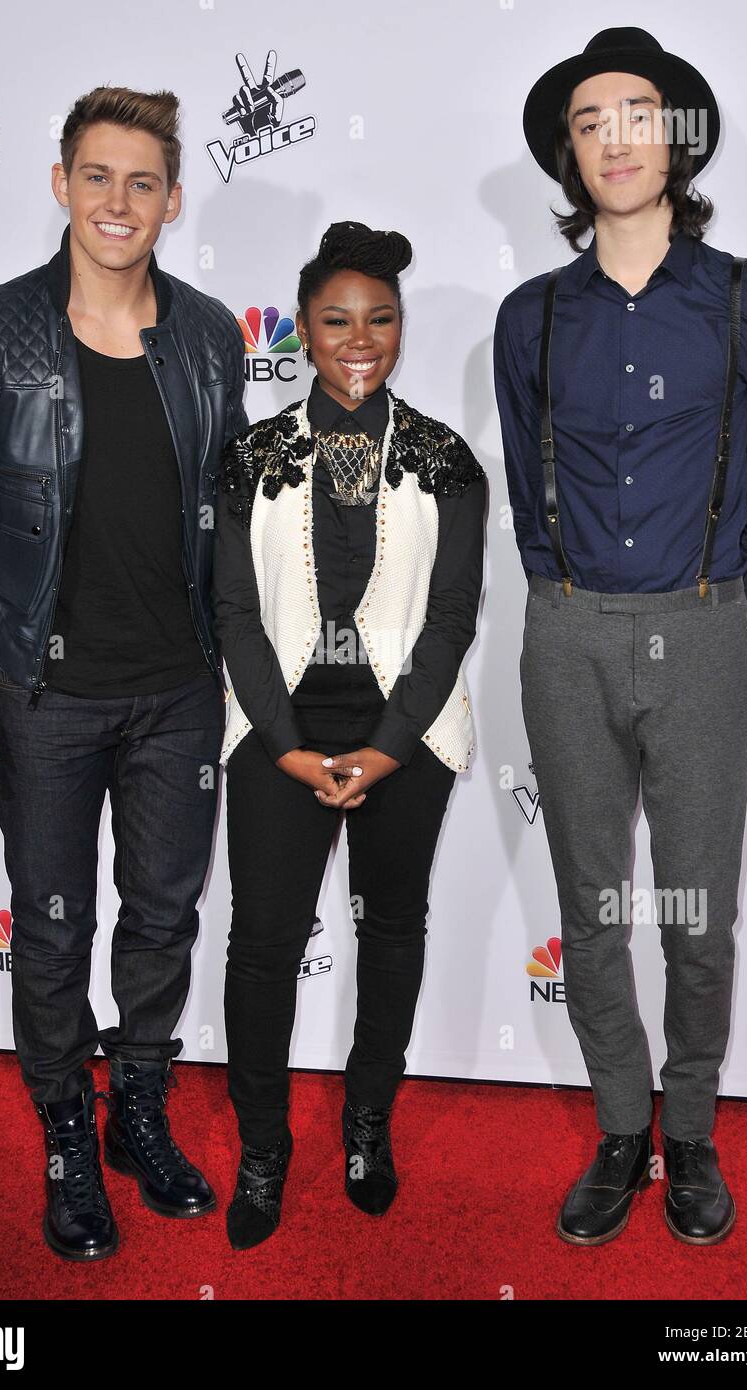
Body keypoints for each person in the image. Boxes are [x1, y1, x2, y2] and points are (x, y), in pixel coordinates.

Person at [0, 86, 248, 1261]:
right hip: (43, 694)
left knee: (161, 917)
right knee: (52, 931)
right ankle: (65, 1127)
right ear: (60, 183)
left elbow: (228, 515)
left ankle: (136, 1110)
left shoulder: (208, 334)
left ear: (172, 199)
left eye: (142, 181)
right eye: (97, 176)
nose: (118, 201)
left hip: (179, 690)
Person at [494, 28, 747, 1246]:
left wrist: (715, 597)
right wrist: (562, 596)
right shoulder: (531, 317)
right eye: (589, 120)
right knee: (588, 904)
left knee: (695, 912)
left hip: (702, 630)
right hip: (565, 632)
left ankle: (689, 1133)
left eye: (638, 112)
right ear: (568, 158)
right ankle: (617, 1127)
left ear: (677, 136)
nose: (615, 136)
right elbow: (527, 488)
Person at [212, 220, 487, 1250]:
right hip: (275, 732)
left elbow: (453, 615)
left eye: (379, 319)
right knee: (263, 945)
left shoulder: (447, 460)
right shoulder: (248, 456)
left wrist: (387, 745)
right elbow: (233, 613)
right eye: (336, 320)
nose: (359, 338)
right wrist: (285, 745)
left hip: (405, 736)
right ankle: (264, 1146)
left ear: (401, 327)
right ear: (303, 331)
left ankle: (367, 1122)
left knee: (391, 930)